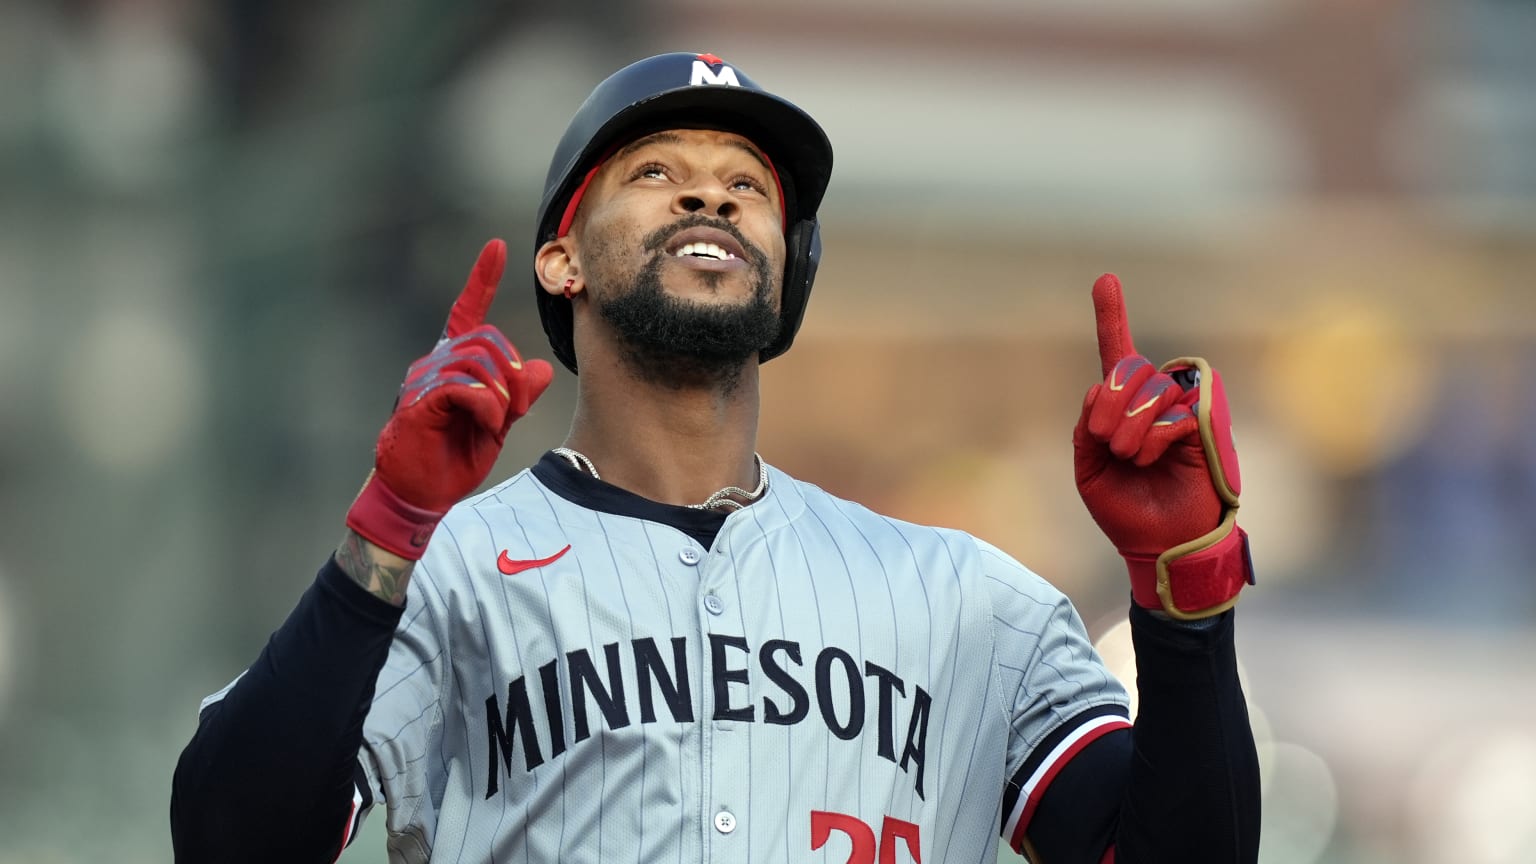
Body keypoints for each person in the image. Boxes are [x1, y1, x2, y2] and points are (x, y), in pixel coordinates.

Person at [171, 52, 1260, 864]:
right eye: (656, 170)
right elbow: (231, 838)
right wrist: (389, 532)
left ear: (789, 271)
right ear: (561, 259)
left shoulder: (965, 599)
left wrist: (1187, 597)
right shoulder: (452, 571)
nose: (711, 195)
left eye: (748, 184)